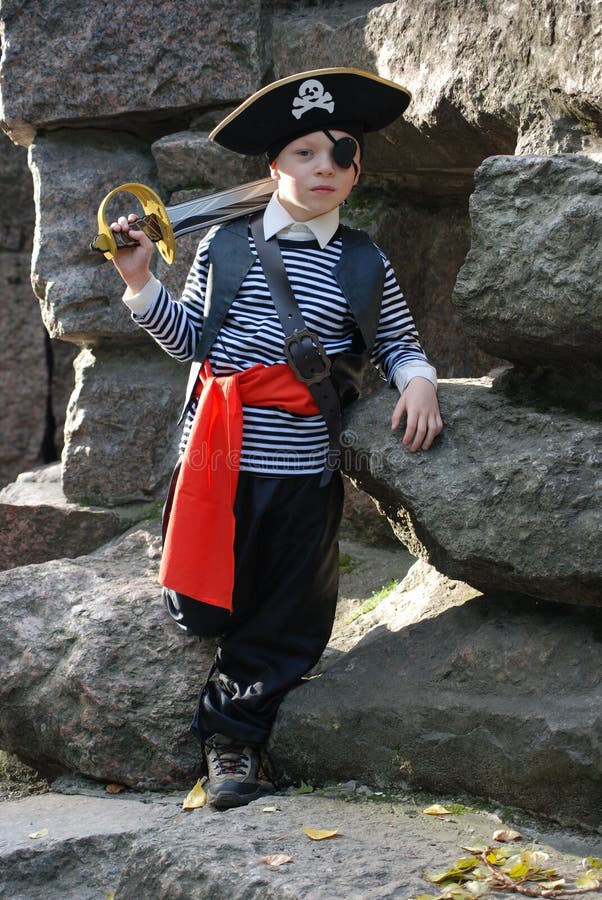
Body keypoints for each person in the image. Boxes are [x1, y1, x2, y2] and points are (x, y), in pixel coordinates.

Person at [109, 68, 443, 809]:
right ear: (273, 166)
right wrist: (141, 284)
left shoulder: (364, 259)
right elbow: (192, 339)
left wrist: (418, 380)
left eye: (341, 154)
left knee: (289, 609)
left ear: (357, 171)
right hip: (219, 458)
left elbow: (395, 340)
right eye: (303, 153)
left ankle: (232, 740)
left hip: (305, 462)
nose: (324, 167)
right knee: (204, 605)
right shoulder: (226, 248)